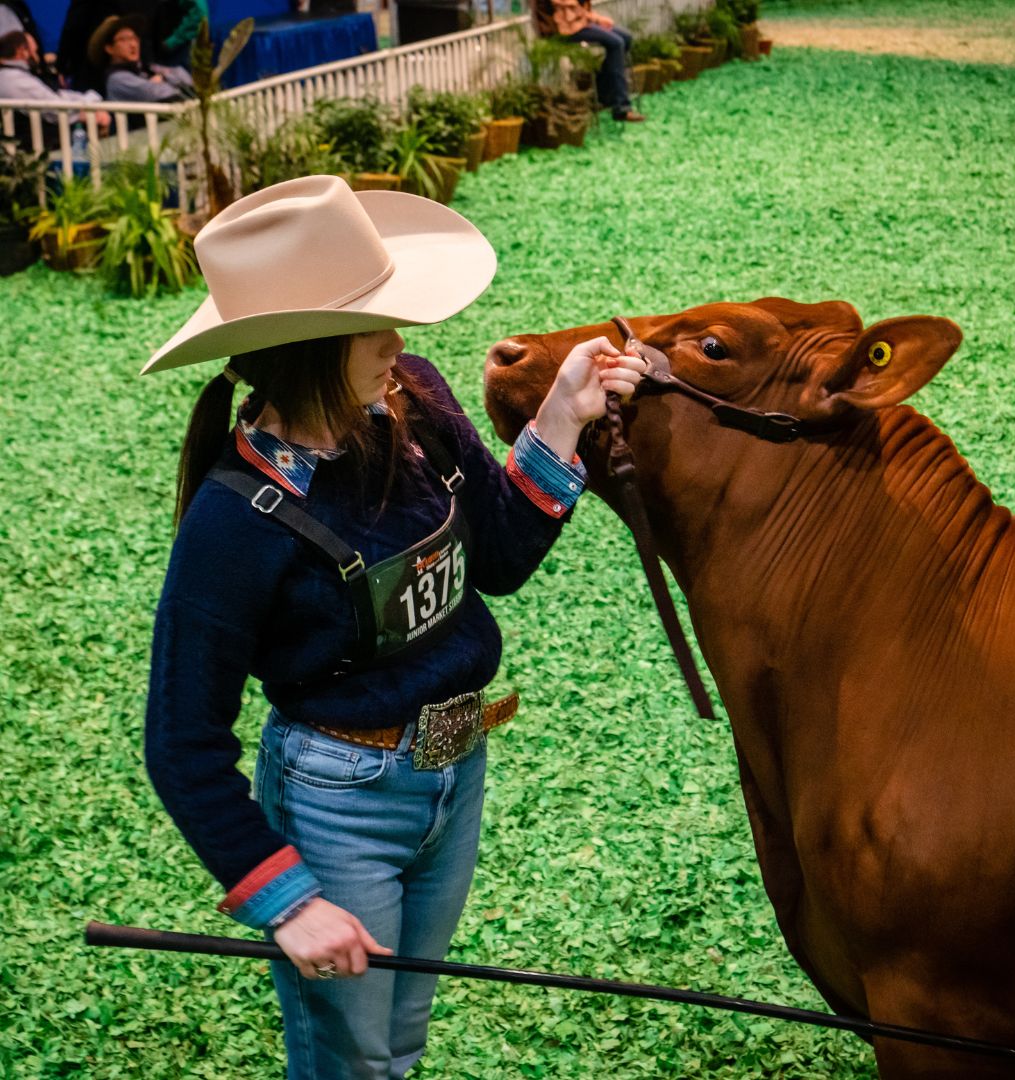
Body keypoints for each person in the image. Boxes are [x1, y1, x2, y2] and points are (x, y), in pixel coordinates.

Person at [142, 175, 645, 1079]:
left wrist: (564, 414)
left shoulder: (411, 396)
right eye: (373, 320)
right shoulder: (232, 523)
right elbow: (181, 741)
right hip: (338, 805)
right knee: (351, 1063)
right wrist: (287, 900)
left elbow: (497, 555)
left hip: (457, 776)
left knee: (399, 1046)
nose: (399, 340)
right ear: (306, 347)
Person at [532, 0, 644, 122]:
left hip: (577, 22)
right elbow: (567, 4)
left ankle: (603, 93)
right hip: (561, 27)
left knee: (626, 38)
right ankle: (621, 108)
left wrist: (594, 18)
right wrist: (596, 19)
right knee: (616, 43)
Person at [0, 30, 108, 148]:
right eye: (35, 52)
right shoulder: (14, 79)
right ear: (22, 51)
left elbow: (56, 96)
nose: (38, 57)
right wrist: (86, 111)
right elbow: (54, 108)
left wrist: (89, 100)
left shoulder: (14, 75)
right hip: (37, 148)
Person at [88, 12, 192, 101]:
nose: (133, 44)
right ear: (109, 48)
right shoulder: (116, 79)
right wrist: (162, 80)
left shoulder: (147, 67)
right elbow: (161, 94)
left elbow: (184, 76)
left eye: (134, 38)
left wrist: (163, 78)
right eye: (124, 39)